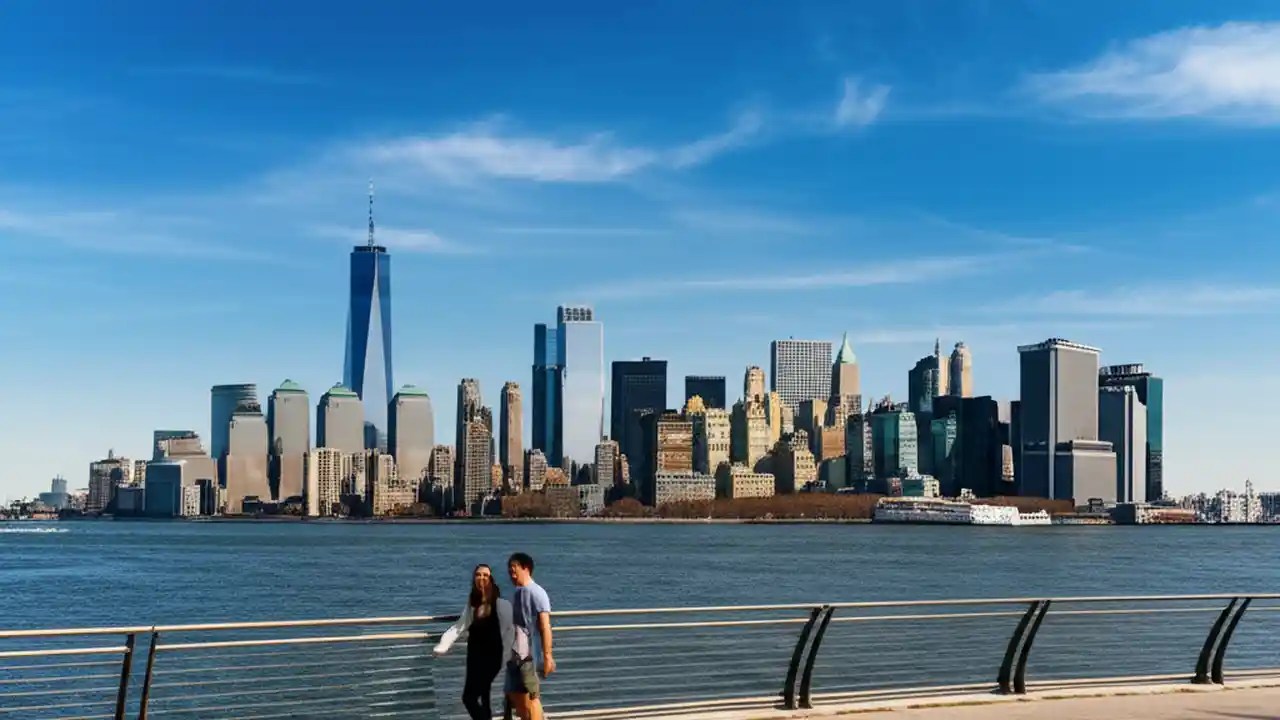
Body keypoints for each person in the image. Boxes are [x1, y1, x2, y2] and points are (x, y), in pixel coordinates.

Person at [433, 564, 515, 720]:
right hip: (475, 657)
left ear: (490, 579)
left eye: (485, 575)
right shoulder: (473, 601)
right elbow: (460, 625)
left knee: (470, 698)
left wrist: (505, 657)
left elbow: (509, 632)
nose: (481, 578)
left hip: (493, 658)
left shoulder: (500, 604)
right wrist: (443, 645)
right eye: (478, 574)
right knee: (483, 699)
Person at [505, 552, 554, 720]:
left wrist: (547, 656)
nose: (511, 574)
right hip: (515, 655)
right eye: (509, 570)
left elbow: (545, 626)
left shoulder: (537, 593)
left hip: (530, 657)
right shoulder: (517, 593)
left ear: (526, 568)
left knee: (531, 698)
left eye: (514, 569)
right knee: (515, 695)